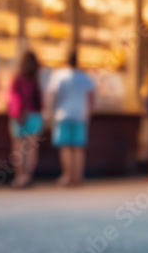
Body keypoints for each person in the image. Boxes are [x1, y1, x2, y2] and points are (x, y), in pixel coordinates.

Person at [47, 53, 95, 186]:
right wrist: (89, 111)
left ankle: (67, 176)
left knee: (66, 146)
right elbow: (91, 96)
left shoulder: (59, 75)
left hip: (63, 114)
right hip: (80, 115)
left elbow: (52, 95)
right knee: (78, 147)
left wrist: (49, 110)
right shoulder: (84, 76)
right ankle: (77, 176)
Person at [8, 51, 43, 188]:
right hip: (34, 115)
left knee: (18, 148)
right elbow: (40, 100)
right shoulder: (36, 79)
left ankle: (19, 176)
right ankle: (28, 176)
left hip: (18, 115)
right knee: (31, 149)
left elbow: (12, 97)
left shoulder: (17, 78)